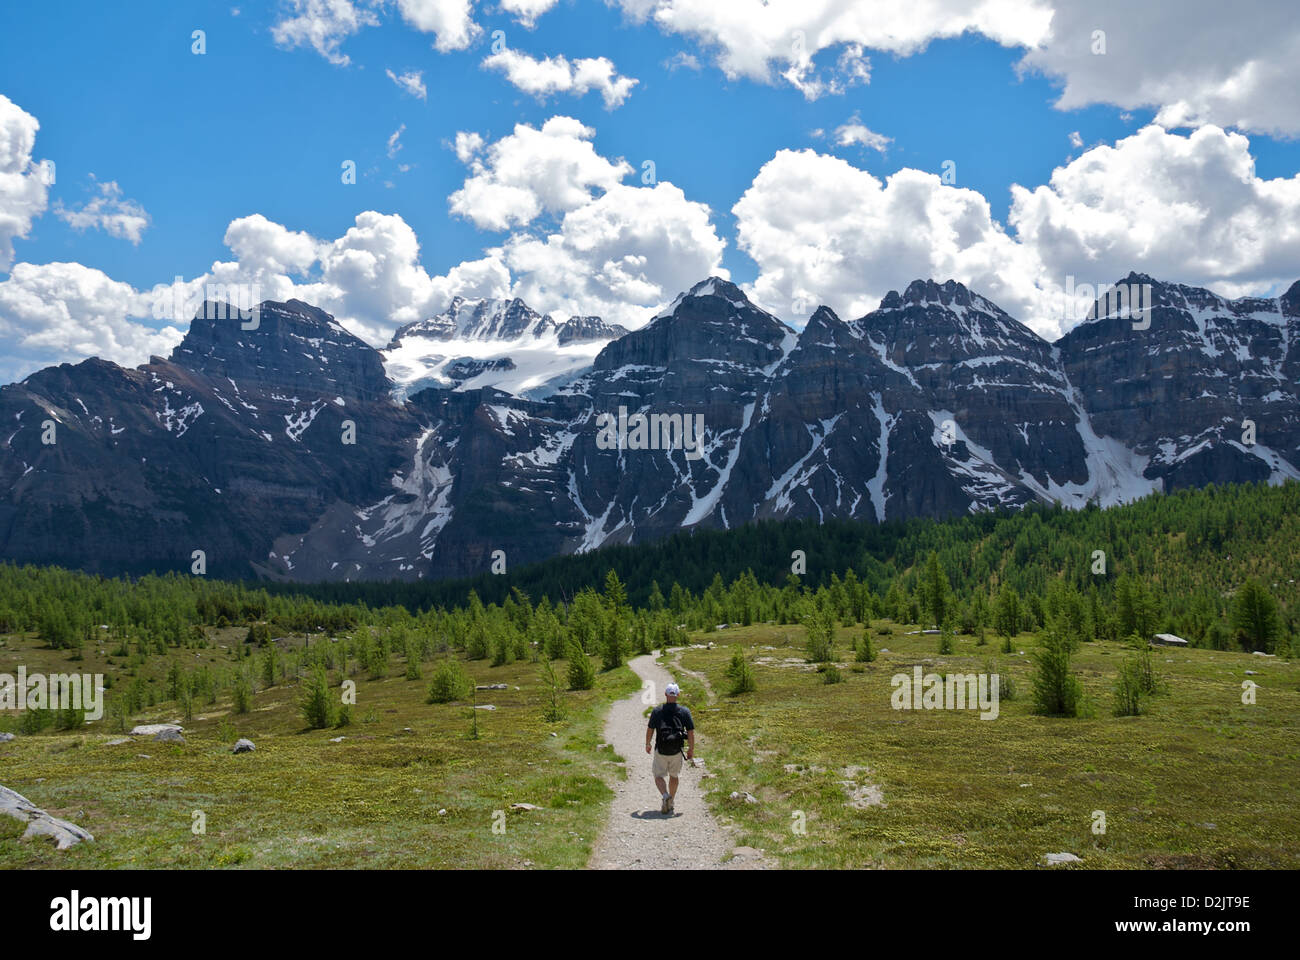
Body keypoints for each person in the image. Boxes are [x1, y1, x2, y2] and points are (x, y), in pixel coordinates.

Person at [645, 681, 695, 815]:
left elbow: (650, 728)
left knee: (658, 776)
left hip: (661, 749)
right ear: (678, 694)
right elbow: (690, 731)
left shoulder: (657, 711)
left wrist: (648, 743)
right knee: (674, 776)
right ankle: (671, 801)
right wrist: (691, 749)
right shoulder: (684, 711)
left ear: (665, 694)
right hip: (677, 751)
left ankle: (665, 796)